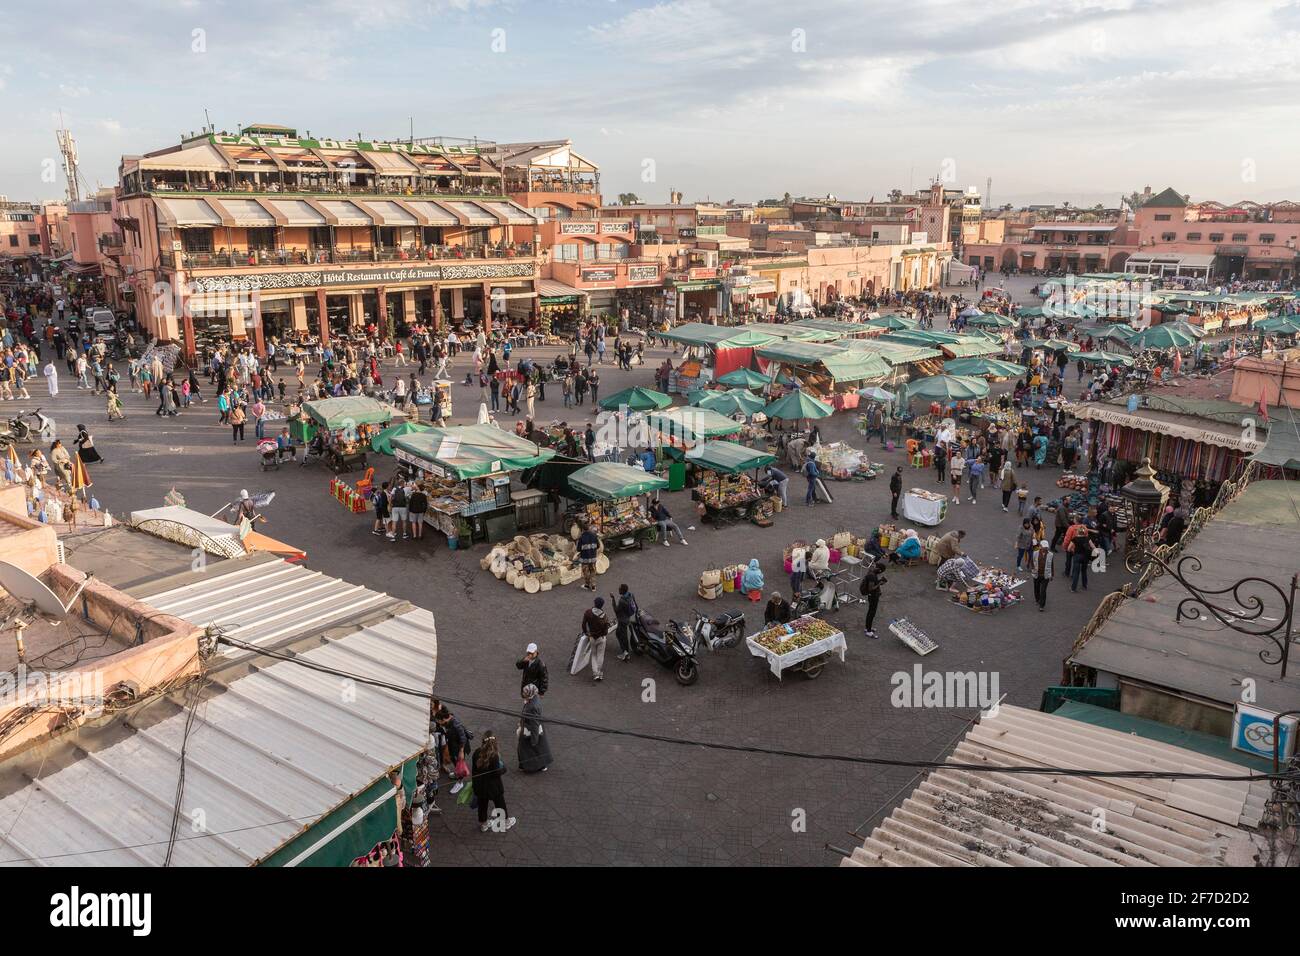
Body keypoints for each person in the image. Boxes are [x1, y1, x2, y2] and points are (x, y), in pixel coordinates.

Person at [470, 732, 515, 833]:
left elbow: (474, 769)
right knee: (500, 803)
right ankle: (505, 822)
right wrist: (504, 769)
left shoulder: (477, 752)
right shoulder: (494, 756)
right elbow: (496, 773)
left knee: (482, 805)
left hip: (480, 785)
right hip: (493, 787)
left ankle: (483, 824)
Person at [517, 684, 552, 773]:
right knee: (537, 749)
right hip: (531, 730)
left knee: (528, 749)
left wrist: (534, 739)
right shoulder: (534, 700)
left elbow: (534, 724)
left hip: (531, 732)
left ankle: (531, 765)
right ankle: (532, 764)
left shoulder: (532, 707)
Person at [582, 596, 611, 681]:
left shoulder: (588, 612)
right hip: (601, 638)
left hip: (592, 637)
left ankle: (595, 674)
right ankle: (599, 672)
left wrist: (586, 633)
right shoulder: (604, 616)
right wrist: (603, 634)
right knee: (600, 655)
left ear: (595, 603)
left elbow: (583, 624)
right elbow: (606, 630)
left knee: (594, 655)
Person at [859, 559, 886, 639]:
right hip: (873, 596)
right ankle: (869, 631)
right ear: (879, 570)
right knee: (871, 613)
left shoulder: (872, 572)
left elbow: (873, 583)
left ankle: (868, 627)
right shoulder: (872, 576)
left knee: (871, 612)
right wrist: (879, 584)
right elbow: (871, 588)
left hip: (873, 595)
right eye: (880, 571)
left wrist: (879, 582)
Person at [576, 520, 601, 589]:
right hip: (593, 558)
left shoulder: (581, 537)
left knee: (586, 572)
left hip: (585, 559)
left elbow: (578, 549)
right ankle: (593, 586)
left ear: (582, 529)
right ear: (589, 528)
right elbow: (598, 546)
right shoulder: (594, 535)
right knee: (593, 571)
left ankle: (587, 585)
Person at [1031, 539, 1053, 611]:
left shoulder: (1050, 555)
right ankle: (1037, 599)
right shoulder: (1035, 553)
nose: (1045, 549)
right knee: (1036, 588)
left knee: (1043, 590)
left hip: (1045, 575)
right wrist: (1033, 569)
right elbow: (1032, 562)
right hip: (1037, 574)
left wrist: (1052, 575)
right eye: (1044, 547)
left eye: (1046, 548)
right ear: (1040, 547)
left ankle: (1042, 605)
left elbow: (1052, 565)